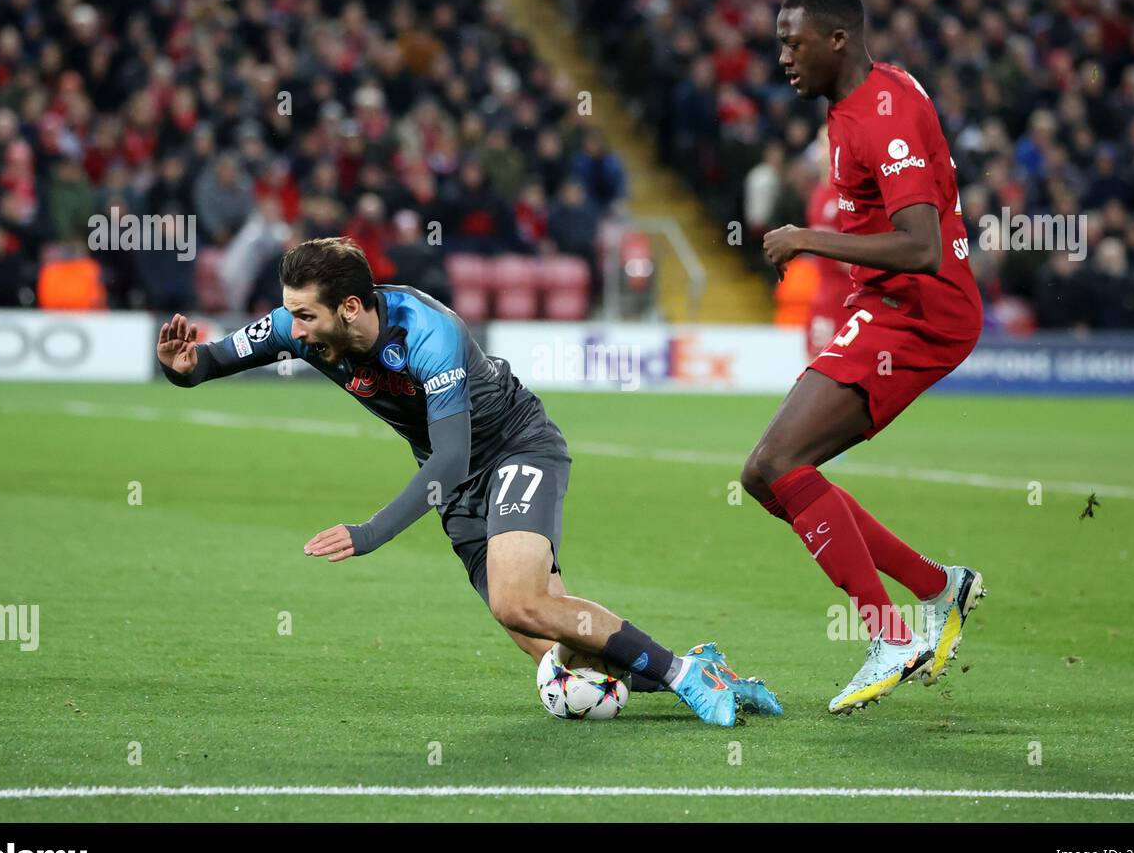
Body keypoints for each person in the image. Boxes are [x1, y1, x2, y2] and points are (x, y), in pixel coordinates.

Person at [156, 237, 780, 726]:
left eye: (304, 315)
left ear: (349, 307)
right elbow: (211, 359)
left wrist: (370, 533)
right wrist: (184, 369)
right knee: (563, 651)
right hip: (454, 483)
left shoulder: (428, 332)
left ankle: (684, 679)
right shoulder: (300, 328)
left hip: (515, 449)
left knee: (516, 601)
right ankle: (702, 669)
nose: (293, 329)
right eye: (290, 313)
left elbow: (451, 460)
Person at [752, 0, 987, 716]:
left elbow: (921, 246)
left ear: (838, 40)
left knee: (774, 464)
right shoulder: (864, 99)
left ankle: (892, 634)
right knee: (772, 474)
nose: (783, 57)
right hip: (885, 305)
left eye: (794, 43)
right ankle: (937, 588)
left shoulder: (880, 116)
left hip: (916, 311)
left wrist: (805, 238)